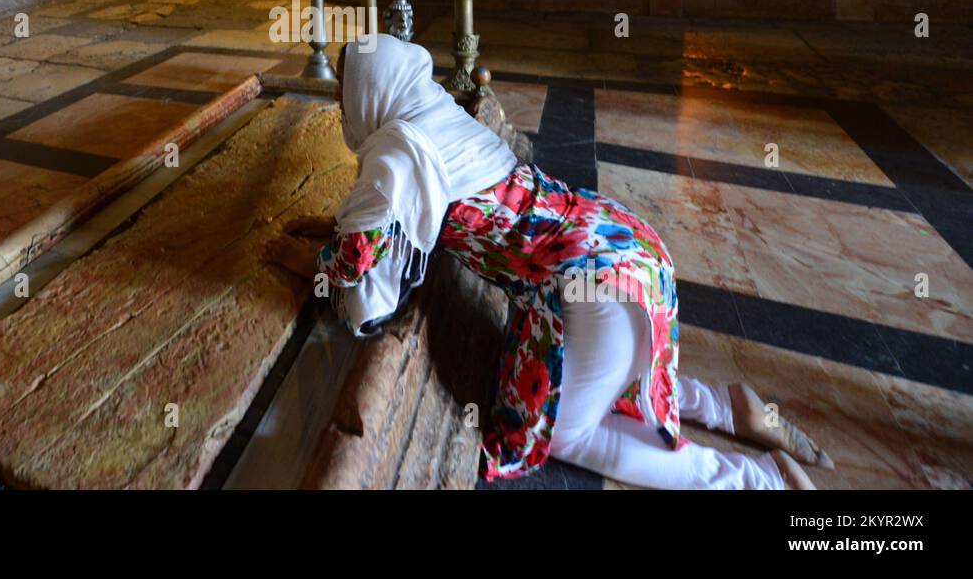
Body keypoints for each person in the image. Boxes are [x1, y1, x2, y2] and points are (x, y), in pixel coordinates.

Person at [299, 34, 831, 490]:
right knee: (606, 378)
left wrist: (310, 262)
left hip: (591, 283)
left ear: (366, 92)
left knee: (560, 432)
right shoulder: (433, 110)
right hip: (620, 240)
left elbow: (358, 258)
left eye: (344, 98)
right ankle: (730, 408)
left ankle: (761, 480)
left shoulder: (395, 150)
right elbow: (399, 216)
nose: (344, 112)